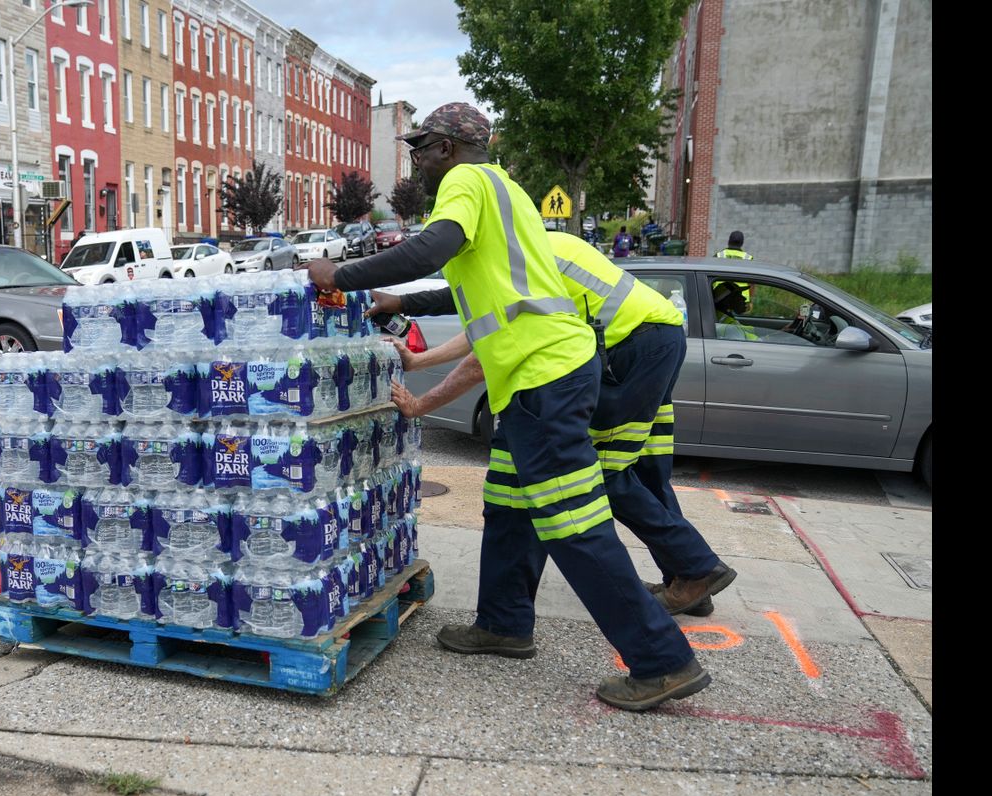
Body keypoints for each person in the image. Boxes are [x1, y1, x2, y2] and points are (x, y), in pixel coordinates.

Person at [307, 102, 709, 712]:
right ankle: (503, 622)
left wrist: (340, 272)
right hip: (538, 377)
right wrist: (394, 298)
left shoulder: (467, 182)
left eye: (421, 149)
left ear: (446, 148)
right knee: (509, 503)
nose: (417, 162)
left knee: (572, 522)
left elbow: (429, 250)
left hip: (543, 377)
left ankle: (662, 661)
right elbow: (471, 281)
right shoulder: (508, 194)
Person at [368, 230, 737, 618]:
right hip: (657, 341)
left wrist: (421, 404)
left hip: (630, 352)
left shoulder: (513, 269)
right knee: (645, 470)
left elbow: (485, 350)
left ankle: (697, 567)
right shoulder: (529, 246)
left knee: (606, 474)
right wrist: (413, 339)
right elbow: (477, 316)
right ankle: (689, 580)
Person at [713, 230, 753, 307]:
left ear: (729, 241)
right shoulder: (748, 258)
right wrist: (750, 300)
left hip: (720, 297)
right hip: (741, 300)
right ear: (742, 243)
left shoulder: (719, 256)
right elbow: (752, 282)